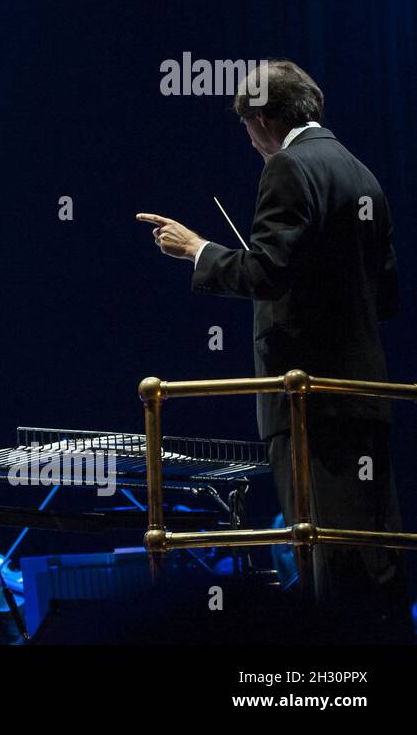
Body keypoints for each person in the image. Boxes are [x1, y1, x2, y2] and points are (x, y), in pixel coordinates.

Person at [137, 59, 408, 635]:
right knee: (372, 548)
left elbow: (268, 273)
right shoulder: (363, 174)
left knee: (323, 556)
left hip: (307, 401)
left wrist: (197, 249)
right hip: (363, 393)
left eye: (247, 129)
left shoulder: (287, 166)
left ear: (259, 118)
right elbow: (385, 297)